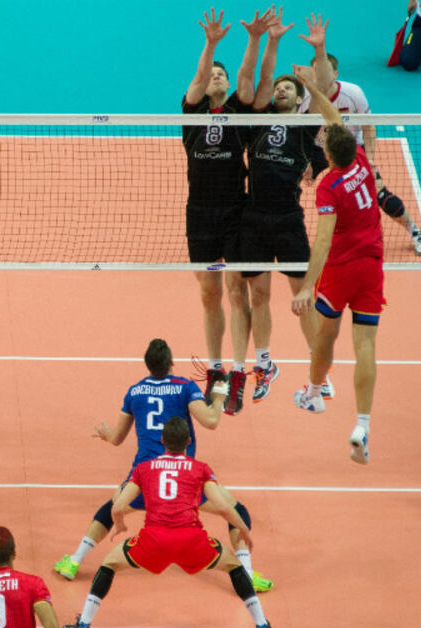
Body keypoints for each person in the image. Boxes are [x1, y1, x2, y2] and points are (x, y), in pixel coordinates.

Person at [52, 339, 272, 593]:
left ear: (148, 365)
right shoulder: (185, 387)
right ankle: (246, 573)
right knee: (237, 510)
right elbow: (211, 421)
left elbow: (117, 439)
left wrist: (106, 434)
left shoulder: (134, 391)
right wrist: (219, 398)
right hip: (183, 480)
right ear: (171, 363)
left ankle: (75, 561)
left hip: (144, 478)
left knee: (111, 508)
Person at [60, 417, 283, 628]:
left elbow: (117, 506)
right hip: (192, 541)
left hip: (153, 540)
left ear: (162, 440)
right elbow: (225, 508)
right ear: (188, 441)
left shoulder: (143, 468)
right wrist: (244, 530)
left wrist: (121, 525)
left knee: (109, 565)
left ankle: (83, 627)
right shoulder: (201, 468)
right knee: (234, 567)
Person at [222, 7, 329, 412]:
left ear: (301, 101)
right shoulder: (258, 121)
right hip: (253, 218)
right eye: (280, 89)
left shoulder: (306, 129)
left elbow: (323, 89)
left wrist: (318, 52)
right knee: (258, 295)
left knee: (303, 296)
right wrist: (272, 40)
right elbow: (260, 79)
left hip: (288, 220)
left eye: (290, 88)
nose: (281, 90)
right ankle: (265, 362)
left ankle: (320, 370)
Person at [290, 67, 383, 465]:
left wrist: (307, 285)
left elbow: (324, 240)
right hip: (372, 266)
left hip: (342, 269)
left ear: (328, 153)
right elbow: (333, 116)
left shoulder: (329, 185)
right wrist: (312, 86)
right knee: (366, 346)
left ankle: (313, 394)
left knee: (326, 334)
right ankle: (362, 424)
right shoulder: (360, 158)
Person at [181, 8, 260, 404]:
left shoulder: (238, 111)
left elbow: (247, 78)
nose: (216, 77)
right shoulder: (192, 111)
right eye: (213, 72)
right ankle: (215, 369)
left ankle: (240, 371)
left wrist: (253, 39)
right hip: (200, 217)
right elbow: (197, 79)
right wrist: (210, 44)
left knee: (237, 291)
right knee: (210, 293)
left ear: (227, 86)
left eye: (221, 75)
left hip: (235, 213)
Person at [304, 20, 421, 256]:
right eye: (315, 72)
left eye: (324, 71)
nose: (319, 76)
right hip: (317, 148)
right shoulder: (304, 96)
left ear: (335, 73)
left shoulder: (353, 94)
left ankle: (415, 231)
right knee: (282, 179)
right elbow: (299, 133)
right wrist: (305, 162)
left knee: (380, 193)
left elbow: (369, 127)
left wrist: (370, 159)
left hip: (351, 149)